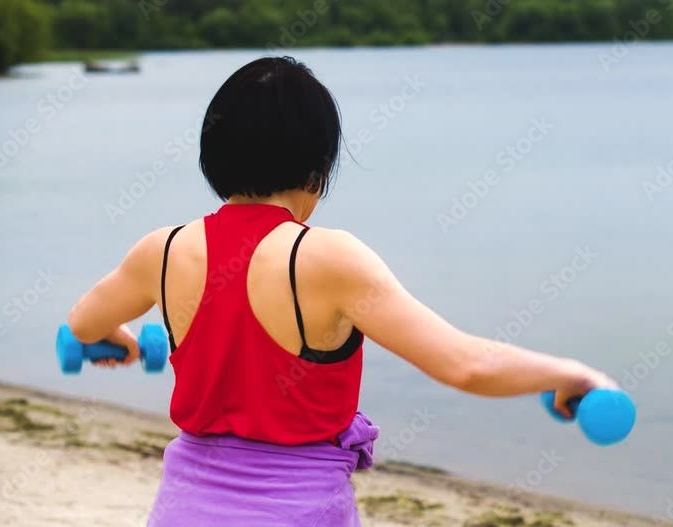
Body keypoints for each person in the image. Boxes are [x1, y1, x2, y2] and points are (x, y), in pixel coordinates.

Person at [67, 56, 618, 526]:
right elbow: (464, 364)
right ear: (318, 172)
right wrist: (573, 375)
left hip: (182, 511)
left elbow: (83, 326)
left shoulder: (160, 252)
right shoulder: (329, 260)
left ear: (212, 159)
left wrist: (127, 344)